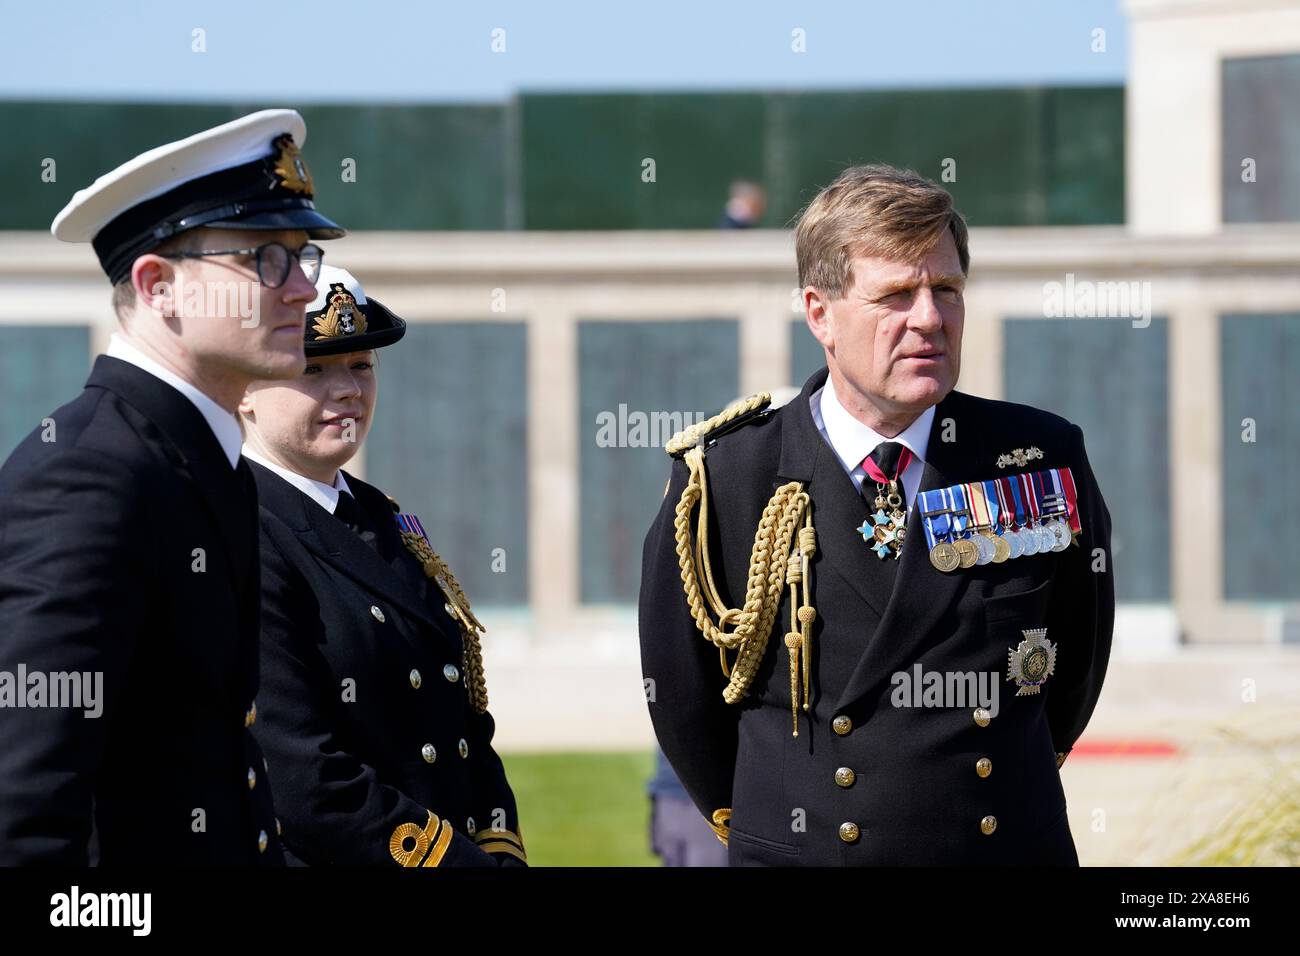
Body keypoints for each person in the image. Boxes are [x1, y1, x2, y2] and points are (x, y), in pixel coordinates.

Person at [639, 164, 1115, 865]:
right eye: (895, 295)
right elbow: (684, 699)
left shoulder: (1036, 459)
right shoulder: (729, 478)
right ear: (820, 313)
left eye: (946, 290)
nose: (929, 318)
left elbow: (1075, 664)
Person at [0, 109, 344, 864]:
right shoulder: (91, 476)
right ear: (158, 286)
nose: (302, 290)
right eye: (265, 259)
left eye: (303, 256)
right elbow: (22, 810)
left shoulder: (197, 460)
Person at [238, 266, 525, 867]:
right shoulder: (241, 534)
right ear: (244, 389)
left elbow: (463, 724)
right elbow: (305, 783)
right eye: (313, 370)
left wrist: (500, 849)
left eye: (361, 365)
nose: (348, 390)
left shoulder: (379, 516)